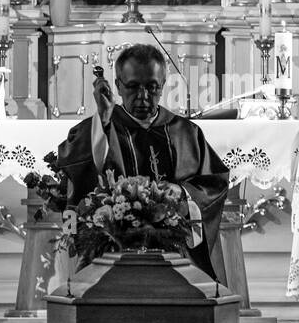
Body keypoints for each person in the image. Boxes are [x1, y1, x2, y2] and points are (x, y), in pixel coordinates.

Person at [52, 44, 229, 284]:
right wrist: (103, 120)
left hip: (177, 256)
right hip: (112, 254)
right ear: (117, 86)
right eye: (133, 87)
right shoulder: (102, 127)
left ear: (163, 85)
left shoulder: (185, 133)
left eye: (152, 87)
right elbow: (76, 168)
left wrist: (184, 194)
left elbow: (214, 183)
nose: (143, 96)